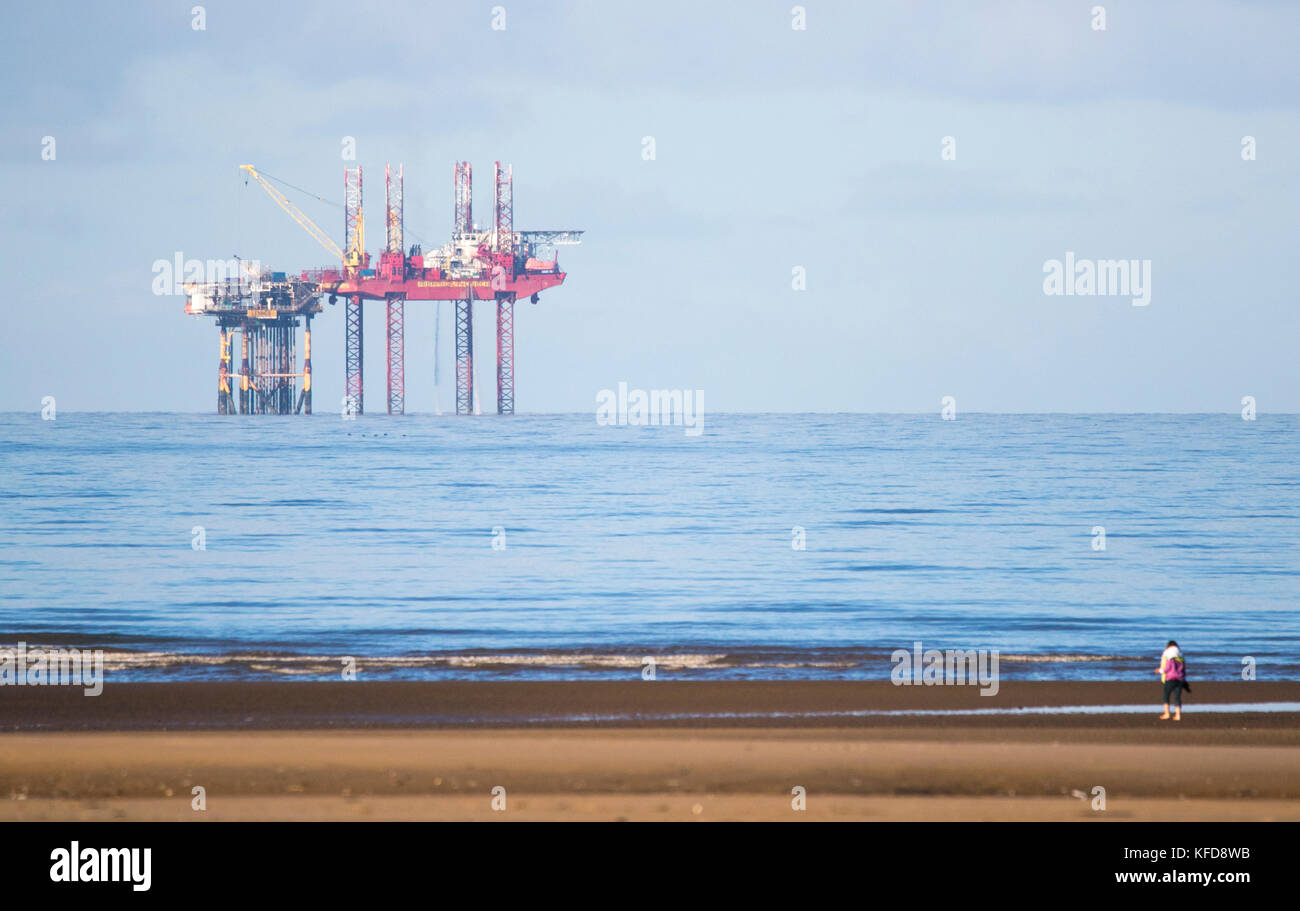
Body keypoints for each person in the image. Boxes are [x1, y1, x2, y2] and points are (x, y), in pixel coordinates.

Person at [1157, 640, 1187, 721]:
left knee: (1166, 696)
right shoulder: (1181, 658)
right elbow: (1184, 669)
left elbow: (1167, 668)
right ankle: (1178, 715)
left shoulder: (1170, 658)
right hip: (1180, 679)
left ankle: (1167, 713)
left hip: (1171, 678)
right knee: (1177, 697)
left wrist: (1159, 671)